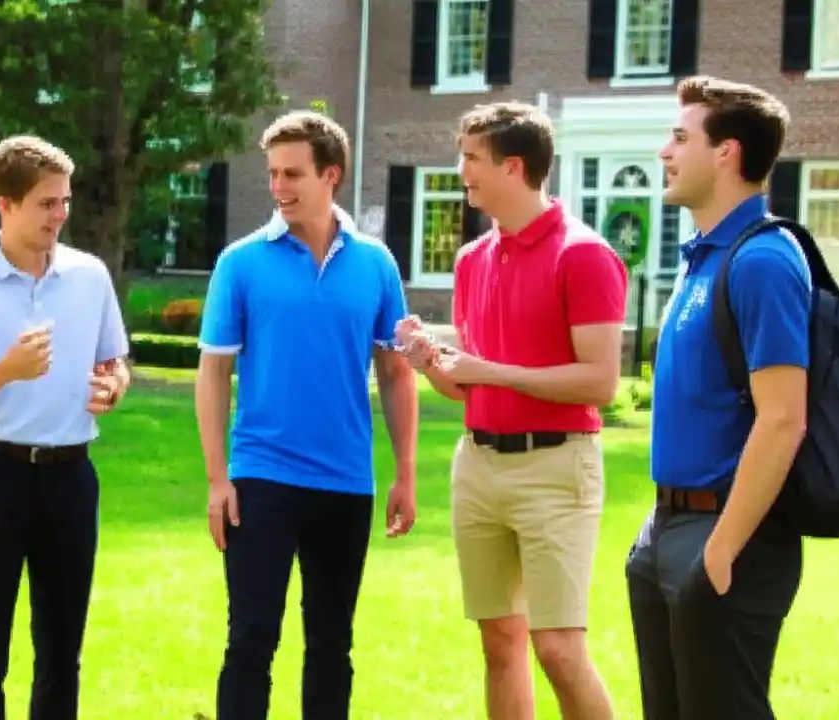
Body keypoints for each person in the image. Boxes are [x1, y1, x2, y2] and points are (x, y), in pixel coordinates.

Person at [398, 101, 624, 720]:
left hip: (556, 471)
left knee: (557, 649)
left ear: (514, 166)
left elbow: (601, 381)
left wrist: (487, 371)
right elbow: (468, 386)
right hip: (478, 466)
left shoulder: (583, 254)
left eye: (472, 157)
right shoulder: (472, 260)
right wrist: (430, 362)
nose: (461, 169)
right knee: (500, 642)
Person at [195, 109, 419, 719]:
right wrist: (219, 480)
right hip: (261, 480)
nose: (278, 186)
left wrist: (405, 472)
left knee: (331, 646)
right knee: (250, 643)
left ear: (331, 176)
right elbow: (213, 373)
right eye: (272, 173)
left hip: (347, 483)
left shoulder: (376, 264)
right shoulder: (240, 263)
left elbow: (396, 372)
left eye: (293, 173)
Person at [0, 134, 131, 720]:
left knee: (63, 655)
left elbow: (115, 362)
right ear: (4, 204)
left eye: (65, 202)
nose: (60, 215)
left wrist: (114, 386)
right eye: (46, 203)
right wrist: (6, 371)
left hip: (71, 480)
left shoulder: (89, 276)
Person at [625, 75, 808, 719]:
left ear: (726, 153)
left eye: (679, 137)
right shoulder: (702, 257)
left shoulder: (762, 261)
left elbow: (784, 419)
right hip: (666, 530)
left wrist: (722, 548)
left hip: (729, 533)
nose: (664, 152)